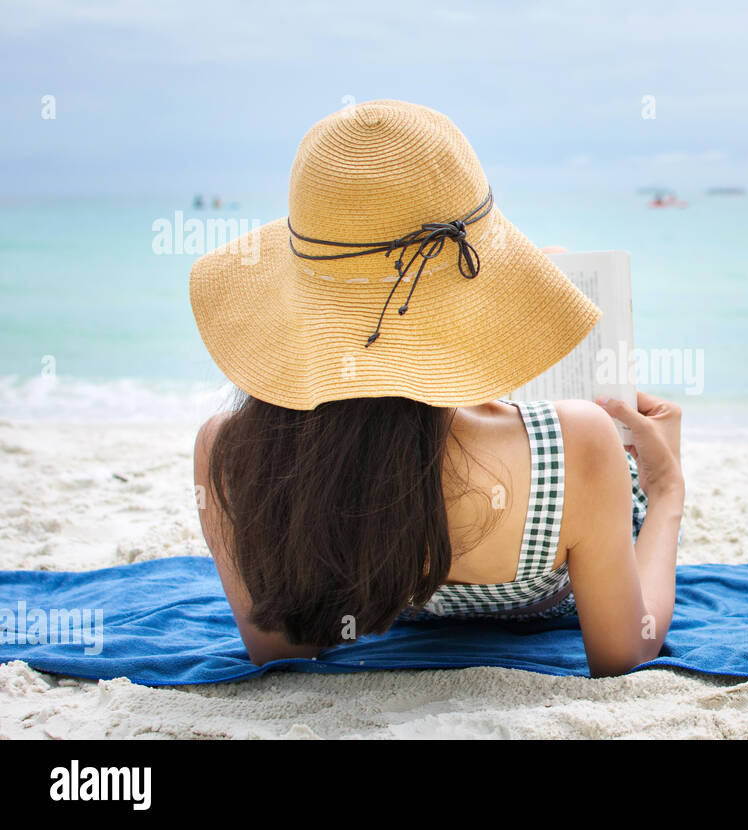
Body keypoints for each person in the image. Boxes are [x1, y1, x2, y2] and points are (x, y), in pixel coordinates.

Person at [189, 101, 684, 677]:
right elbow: (625, 650)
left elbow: (280, 654)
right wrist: (668, 491)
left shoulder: (232, 452)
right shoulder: (578, 443)